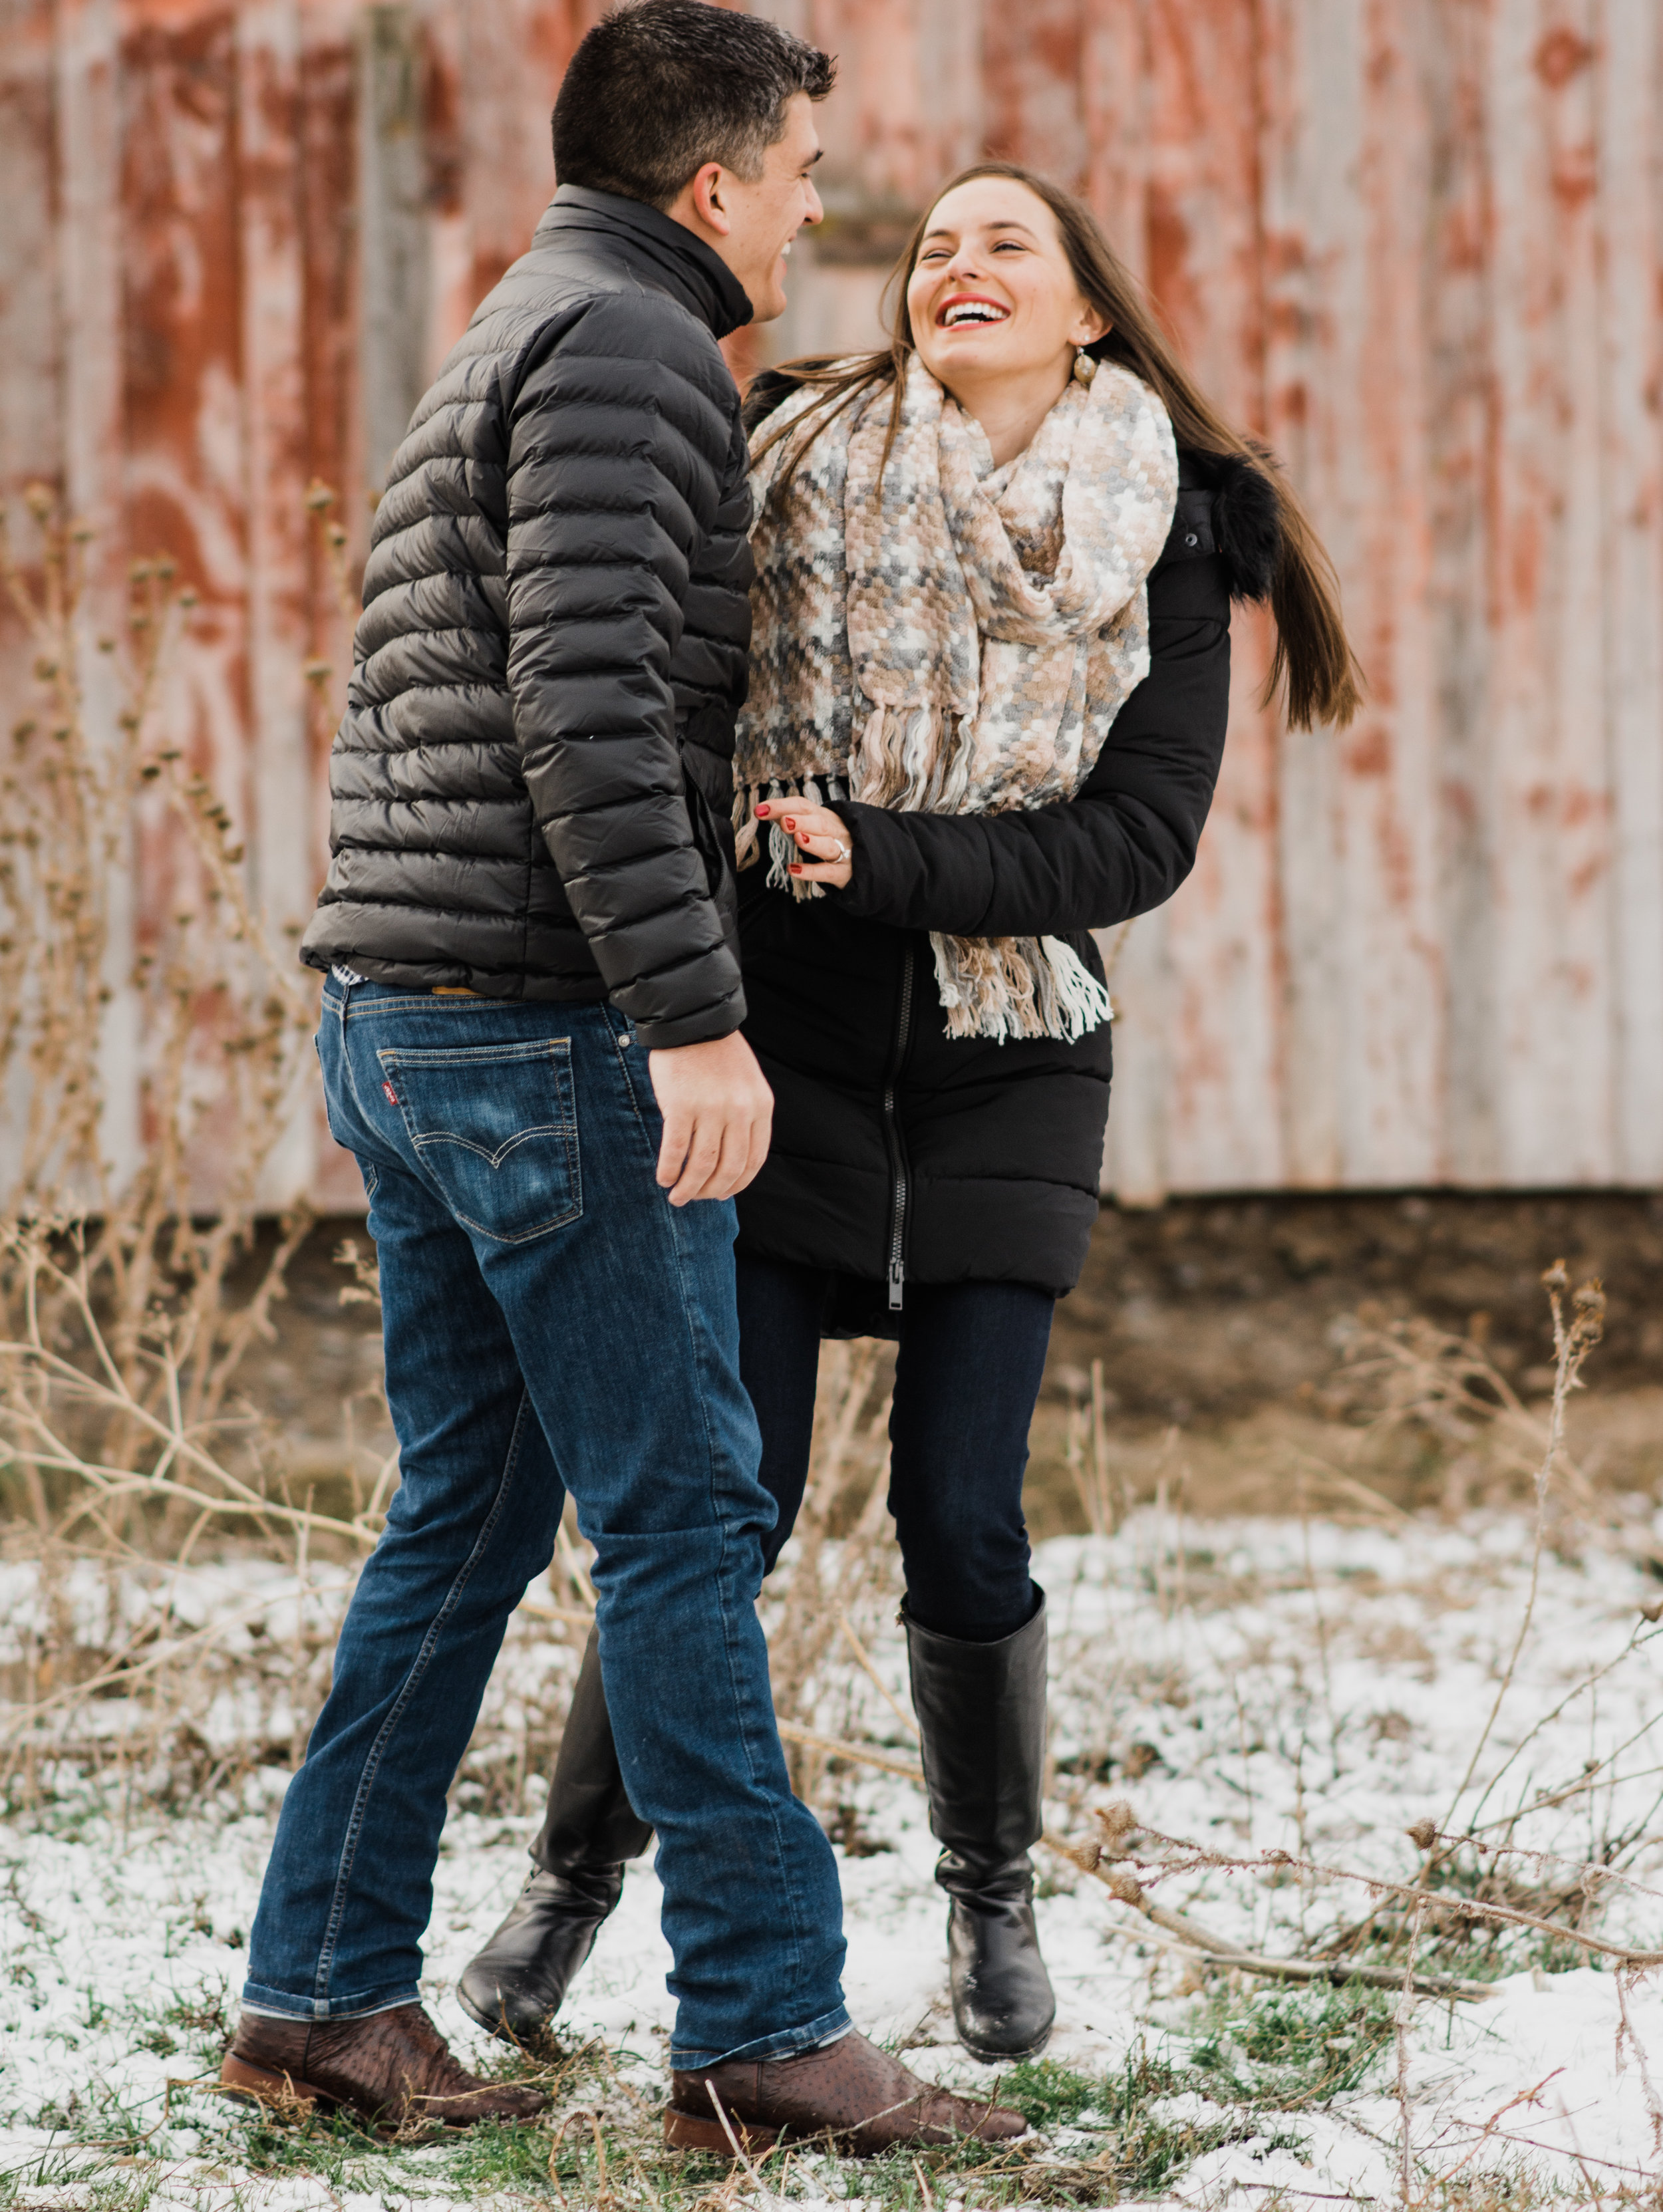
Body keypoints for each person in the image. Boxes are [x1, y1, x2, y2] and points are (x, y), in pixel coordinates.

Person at [218, 0, 1024, 2161]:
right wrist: (688, 1015)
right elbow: (582, 716)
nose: (812, 215)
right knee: (683, 1520)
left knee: (463, 1524)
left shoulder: (525, 318)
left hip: (410, 1013)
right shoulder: (631, 350)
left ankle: (318, 2004)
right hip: (537, 1029)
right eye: (798, 180)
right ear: (712, 186)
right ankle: (765, 2034)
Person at [462, 161, 1362, 2067]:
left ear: (1087, 311)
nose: (955, 265)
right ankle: (561, 1891)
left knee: (959, 1516)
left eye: (1003, 244)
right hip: (768, 1039)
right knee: (726, 1503)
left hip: (1009, 1046)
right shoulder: (789, 444)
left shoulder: (1175, 526)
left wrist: (866, 854)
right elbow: (660, 675)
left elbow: (1133, 841)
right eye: (932, 244)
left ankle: (988, 1899)